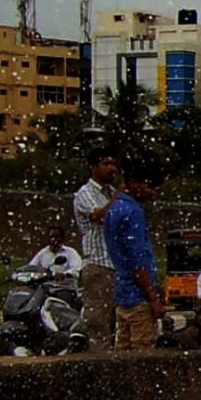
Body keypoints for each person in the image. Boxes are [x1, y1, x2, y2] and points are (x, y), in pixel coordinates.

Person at [107, 157, 163, 351]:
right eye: (149, 186)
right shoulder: (133, 212)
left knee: (123, 352)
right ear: (133, 183)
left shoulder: (114, 208)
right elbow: (138, 259)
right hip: (138, 296)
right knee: (142, 355)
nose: (152, 192)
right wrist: (153, 297)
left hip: (123, 294)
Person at [72, 147, 120, 349]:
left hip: (117, 265)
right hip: (98, 265)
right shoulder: (85, 193)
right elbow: (99, 216)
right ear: (93, 167)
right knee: (99, 323)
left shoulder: (112, 193)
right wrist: (121, 197)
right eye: (106, 164)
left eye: (114, 164)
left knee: (118, 322)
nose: (112, 168)